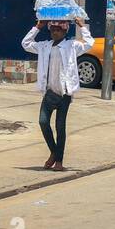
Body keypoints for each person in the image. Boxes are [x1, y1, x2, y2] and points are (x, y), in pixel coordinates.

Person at [21, 15, 93, 170]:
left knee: (60, 127)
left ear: (65, 31)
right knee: (43, 122)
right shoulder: (44, 46)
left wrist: (81, 26)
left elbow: (89, 44)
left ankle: (59, 162)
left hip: (65, 93)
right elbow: (25, 43)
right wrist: (38, 27)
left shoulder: (71, 45)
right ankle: (54, 152)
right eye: (53, 29)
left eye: (58, 29)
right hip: (49, 92)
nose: (55, 32)